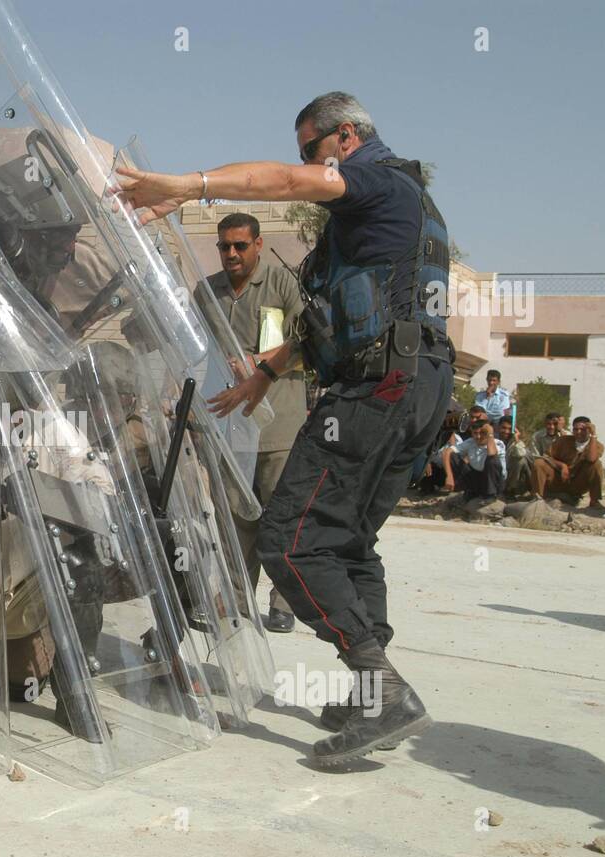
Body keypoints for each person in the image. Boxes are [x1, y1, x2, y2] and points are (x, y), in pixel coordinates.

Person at [114, 90, 455, 763]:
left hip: (377, 387)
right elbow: (322, 317)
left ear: (346, 136)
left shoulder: (376, 179)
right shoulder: (389, 215)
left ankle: (383, 690)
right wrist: (264, 377)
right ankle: (371, 691)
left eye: (313, 148)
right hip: (416, 383)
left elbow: (291, 181)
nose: (308, 163)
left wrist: (190, 186)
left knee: (289, 539)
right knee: (349, 541)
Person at [200, 213, 305, 633]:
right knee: (237, 520)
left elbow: (306, 340)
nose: (231, 254)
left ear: (258, 245)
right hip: (231, 426)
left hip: (280, 423)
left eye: (240, 246)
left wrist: (258, 362)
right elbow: (195, 347)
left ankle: (284, 604)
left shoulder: (282, 283)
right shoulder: (207, 291)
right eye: (224, 246)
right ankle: (236, 600)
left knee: (281, 518)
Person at [531, 416, 604, 508]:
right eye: (575, 429)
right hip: (559, 479)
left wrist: (593, 435)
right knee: (539, 463)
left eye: (582, 429)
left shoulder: (597, 445)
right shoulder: (563, 440)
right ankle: (538, 499)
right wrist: (562, 465)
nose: (578, 432)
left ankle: (594, 501)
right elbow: (547, 457)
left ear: (589, 430)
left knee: (597, 465)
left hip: (578, 482)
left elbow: (591, 459)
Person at [443, 418, 505, 501]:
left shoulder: (497, 443)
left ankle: (491, 494)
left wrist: (490, 434)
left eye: (482, 433)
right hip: (478, 478)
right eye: (475, 433)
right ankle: (471, 491)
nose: (479, 437)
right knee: (453, 456)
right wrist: (449, 476)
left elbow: (492, 454)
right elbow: (447, 452)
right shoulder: (470, 442)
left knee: (492, 460)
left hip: (495, 481)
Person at [494, 417, 532, 498]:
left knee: (521, 460)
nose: (506, 431)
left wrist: (516, 440)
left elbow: (521, 454)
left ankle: (511, 489)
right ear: (498, 427)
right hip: (497, 475)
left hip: (510, 475)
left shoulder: (516, 441)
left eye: (509, 429)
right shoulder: (493, 439)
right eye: (503, 428)